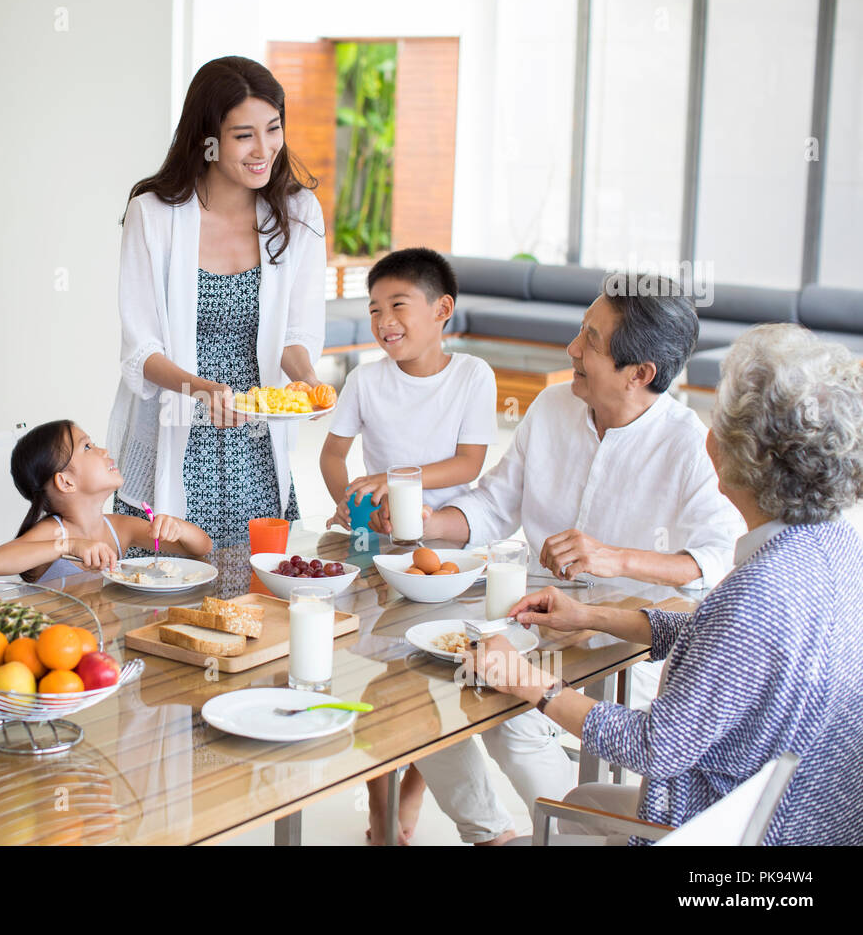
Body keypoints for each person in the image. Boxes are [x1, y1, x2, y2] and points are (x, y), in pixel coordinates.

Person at [372, 273, 744, 844]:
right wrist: (427, 521)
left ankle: (573, 830)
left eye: (591, 341)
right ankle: (492, 835)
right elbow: (493, 506)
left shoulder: (687, 443)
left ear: (639, 373)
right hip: (534, 619)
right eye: (579, 331)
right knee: (416, 684)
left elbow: (717, 558)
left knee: (500, 712)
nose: (571, 349)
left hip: (623, 641)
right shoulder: (550, 407)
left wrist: (615, 559)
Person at [473, 324, 863, 844]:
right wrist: (591, 616)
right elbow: (729, 650)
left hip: (709, 833)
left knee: (558, 815)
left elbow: (654, 747)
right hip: (794, 819)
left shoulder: (757, 594)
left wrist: (524, 678)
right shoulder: (838, 547)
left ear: (735, 452)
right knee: (579, 801)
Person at [106, 56, 327, 551]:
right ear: (208, 137)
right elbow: (141, 351)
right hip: (175, 425)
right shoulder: (153, 215)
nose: (264, 149)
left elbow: (296, 334)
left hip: (255, 439)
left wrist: (307, 380)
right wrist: (203, 389)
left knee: (257, 591)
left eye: (273, 129)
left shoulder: (298, 212)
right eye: (243, 135)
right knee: (165, 583)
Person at [318, 247, 497, 842]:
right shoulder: (366, 380)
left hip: (444, 549)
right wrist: (347, 498)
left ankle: (408, 807)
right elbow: (333, 454)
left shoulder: (473, 375)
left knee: (437, 675)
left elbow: (469, 461)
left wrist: (399, 479)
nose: (383, 321)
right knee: (385, 681)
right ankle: (381, 810)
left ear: (442, 309)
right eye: (373, 310)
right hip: (378, 546)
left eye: (398, 305)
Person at [0, 420, 212, 583]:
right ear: (65, 482)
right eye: (87, 447)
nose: (103, 451)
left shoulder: (119, 528)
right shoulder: (56, 532)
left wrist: (178, 527)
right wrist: (71, 545)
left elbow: (202, 547)